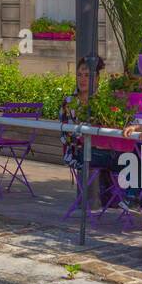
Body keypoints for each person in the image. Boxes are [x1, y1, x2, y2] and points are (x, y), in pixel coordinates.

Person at [60, 56, 120, 206]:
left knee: (134, 155)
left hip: (102, 149)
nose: (82, 79)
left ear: (97, 78)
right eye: (79, 75)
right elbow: (67, 136)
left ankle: (126, 196)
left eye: (87, 75)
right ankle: (126, 196)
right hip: (77, 152)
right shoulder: (69, 102)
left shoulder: (103, 101)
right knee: (124, 158)